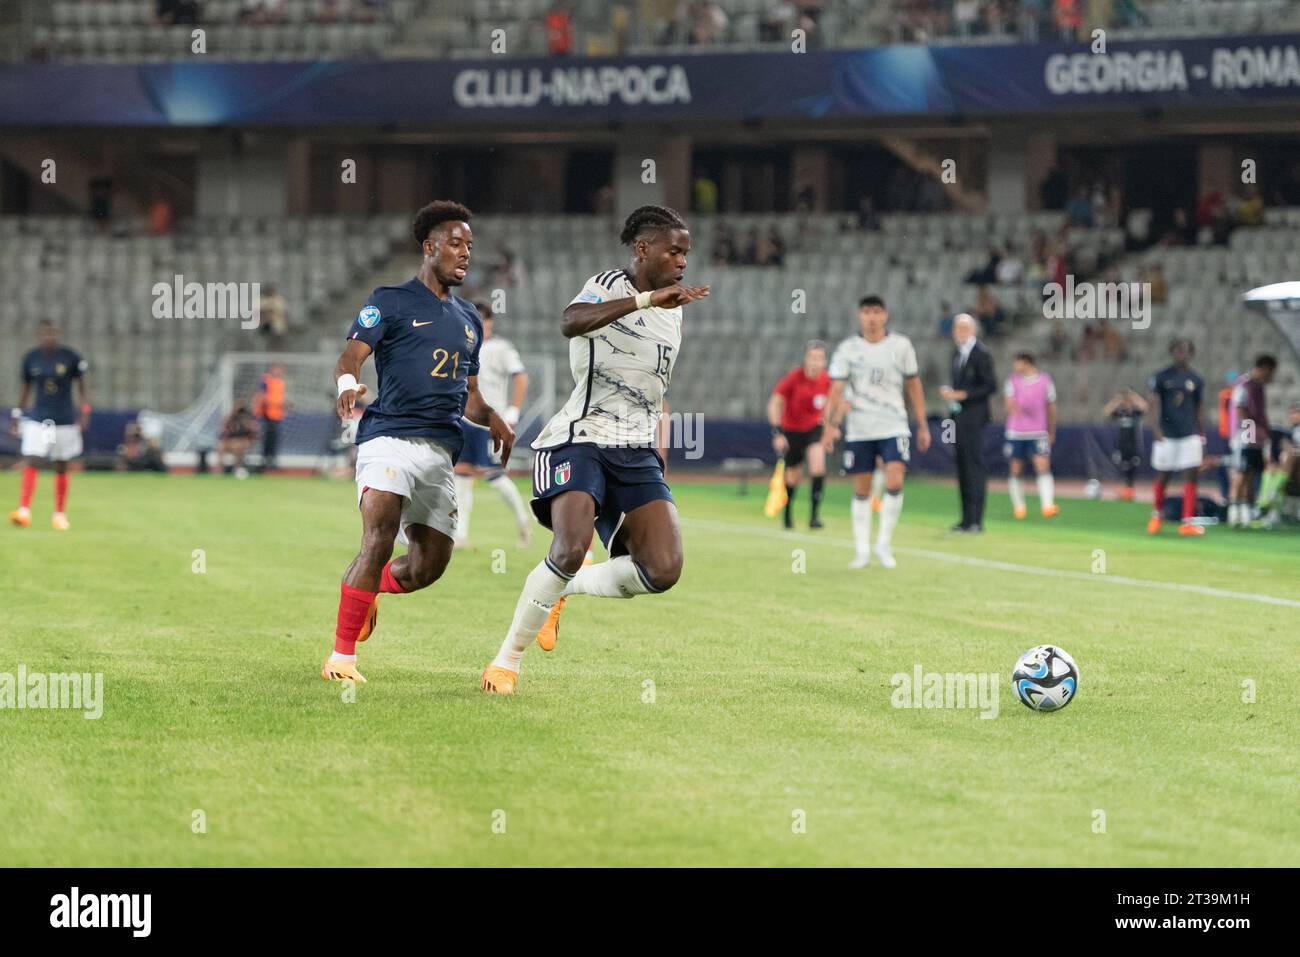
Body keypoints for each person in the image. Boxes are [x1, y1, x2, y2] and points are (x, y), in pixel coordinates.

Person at [481, 205, 708, 695]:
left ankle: (565, 590)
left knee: (664, 569)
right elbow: (570, 321)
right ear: (643, 248)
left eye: (686, 253)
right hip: (580, 439)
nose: (683, 262)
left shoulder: (676, 316)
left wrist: (659, 445)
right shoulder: (608, 284)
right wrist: (647, 300)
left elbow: (655, 388)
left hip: (636, 448)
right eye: (674, 250)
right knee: (570, 546)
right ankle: (506, 661)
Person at [323, 200, 514, 685]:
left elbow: (469, 395)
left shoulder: (470, 319)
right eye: (455, 243)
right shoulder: (387, 300)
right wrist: (348, 386)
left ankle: (367, 594)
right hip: (387, 438)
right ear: (429, 248)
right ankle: (341, 659)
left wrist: (491, 417)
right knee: (379, 536)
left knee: (428, 567)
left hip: (439, 452)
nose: (465, 253)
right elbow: (351, 356)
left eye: (470, 245)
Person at [822, 296, 931, 568]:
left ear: (885, 315)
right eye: (866, 312)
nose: (871, 317)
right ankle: (862, 550)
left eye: (876, 312)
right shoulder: (848, 349)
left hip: (894, 424)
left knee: (895, 480)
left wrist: (923, 424)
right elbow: (836, 390)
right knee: (862, 488)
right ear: (860, 316)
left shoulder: (901, 345)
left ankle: (884, 544)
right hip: (860, 428)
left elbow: (914, 385)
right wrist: (829, 426)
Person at [452, 300, 532, 549]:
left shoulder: (500, 348)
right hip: (464, 419)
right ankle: (460, 536)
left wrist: (513, 412)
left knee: (495, 477)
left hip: (490, 421)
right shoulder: (462, 345)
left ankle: (522, 519)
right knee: (461, 476)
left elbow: (521, 378)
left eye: (481, 320)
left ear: (489, 322)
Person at [9, 320, 90, 531]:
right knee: (33, 458)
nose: (49, 337)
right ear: (40, 335)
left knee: (61, 464)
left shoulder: (70, 356)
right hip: (41, 419)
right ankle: (24, 510)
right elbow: (25, 389)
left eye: (52, 333)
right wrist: (18, 414)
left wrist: (84, 411)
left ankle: (59, 514)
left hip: (64, 419)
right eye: (45, 333)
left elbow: (81, 386)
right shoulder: (32, 358)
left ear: (57, 334)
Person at [767, 340, 831, 530]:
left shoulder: (827, 380)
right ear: (806, 359)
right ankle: (788, 514)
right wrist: (777, 432)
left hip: (814, 429)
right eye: (812, 357)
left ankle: (814, 517)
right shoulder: (794, 378)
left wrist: (830, 430)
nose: (815, 362)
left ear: (825, 361)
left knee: (818, 467)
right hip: (792, 430)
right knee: (793, 476)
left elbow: (832, 405)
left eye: (820, 358)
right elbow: (775, 402)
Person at [1146, 338, 1206, 536]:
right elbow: (1153, 404)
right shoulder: (1161, 377)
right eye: (1180, 350)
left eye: (1187, 351)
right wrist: (1156, 429)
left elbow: (1198, 408)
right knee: (1164, 475)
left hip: (1189, 434)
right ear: (1172, 352)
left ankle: (1187, 521)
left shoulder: (1196, 379)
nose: (1183, 354)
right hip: (1168, 434)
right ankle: (1156, 515)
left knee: (1191, 475)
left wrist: (1201, 433)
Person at [941, 314, 996, 532]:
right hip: (958, 418)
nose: (959, 332)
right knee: (962, 467)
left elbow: (990, 385)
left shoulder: (981, 353)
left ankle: (976, 519)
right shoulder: (956, 353)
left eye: (964, 328)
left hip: (974, 418)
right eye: (956, 328)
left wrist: (965, 394)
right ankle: (965, 518)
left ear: (973, 330)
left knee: (974, 467)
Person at [1002, 353, 1059, 519]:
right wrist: (1014, 406)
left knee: (1042, 465)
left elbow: (1051, 406)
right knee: (1016, 468)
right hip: (1016, 431)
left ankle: (1047, 505)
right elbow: (1008, 402)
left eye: (1017, 363)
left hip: (1038, 430)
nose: (1015, 367)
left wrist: (1051, 430)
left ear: (1027, 363)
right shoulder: (1012, 380)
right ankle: (1019, 507)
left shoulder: (1045, 380)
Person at [1226, 354, 1277, 527]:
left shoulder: (1259, 387)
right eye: (1270, 373)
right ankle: (1234, 512)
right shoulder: (1244, 384)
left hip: (1255, 438)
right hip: (1244, 437)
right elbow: (1240, 410)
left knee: (1250, 473)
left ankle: (1245, 511)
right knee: (1240, 472)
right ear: (1264, 368)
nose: (1271, 377)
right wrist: (1251, 432)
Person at [1102, 388, 1147, 500]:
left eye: (1128, 401)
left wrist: (1135, 396)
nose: (1127, 403)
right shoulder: (1120, 413)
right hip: (1121, 444)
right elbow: (1106, 411)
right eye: (1125, 401)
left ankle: (1129, 490)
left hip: (1134, 444)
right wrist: (1117, 400)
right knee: (1123, 466)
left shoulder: (1135, 413)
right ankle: (1126, 490)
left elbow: (1146, 407)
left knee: (1132, 467)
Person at [254, 363, 286, 471]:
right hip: (267, 414)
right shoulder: (266, 381)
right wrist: (262, 410)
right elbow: (262, 396)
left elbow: (279, 398)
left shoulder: (280, 382)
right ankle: (264, 461)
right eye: (277, 369)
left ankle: (272, 460)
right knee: (266, 438)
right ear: (272, 369)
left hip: (276, 415)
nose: (279, 372)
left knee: (274, 439)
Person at [217, 400, 258, 478]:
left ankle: (238, 468)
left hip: (242, 440)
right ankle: (220, 469)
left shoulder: (247, 417)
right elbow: (223, 429)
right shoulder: (231, 417)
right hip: (231, 441)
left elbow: (253, 430)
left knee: (238, 445)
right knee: (221, 446)